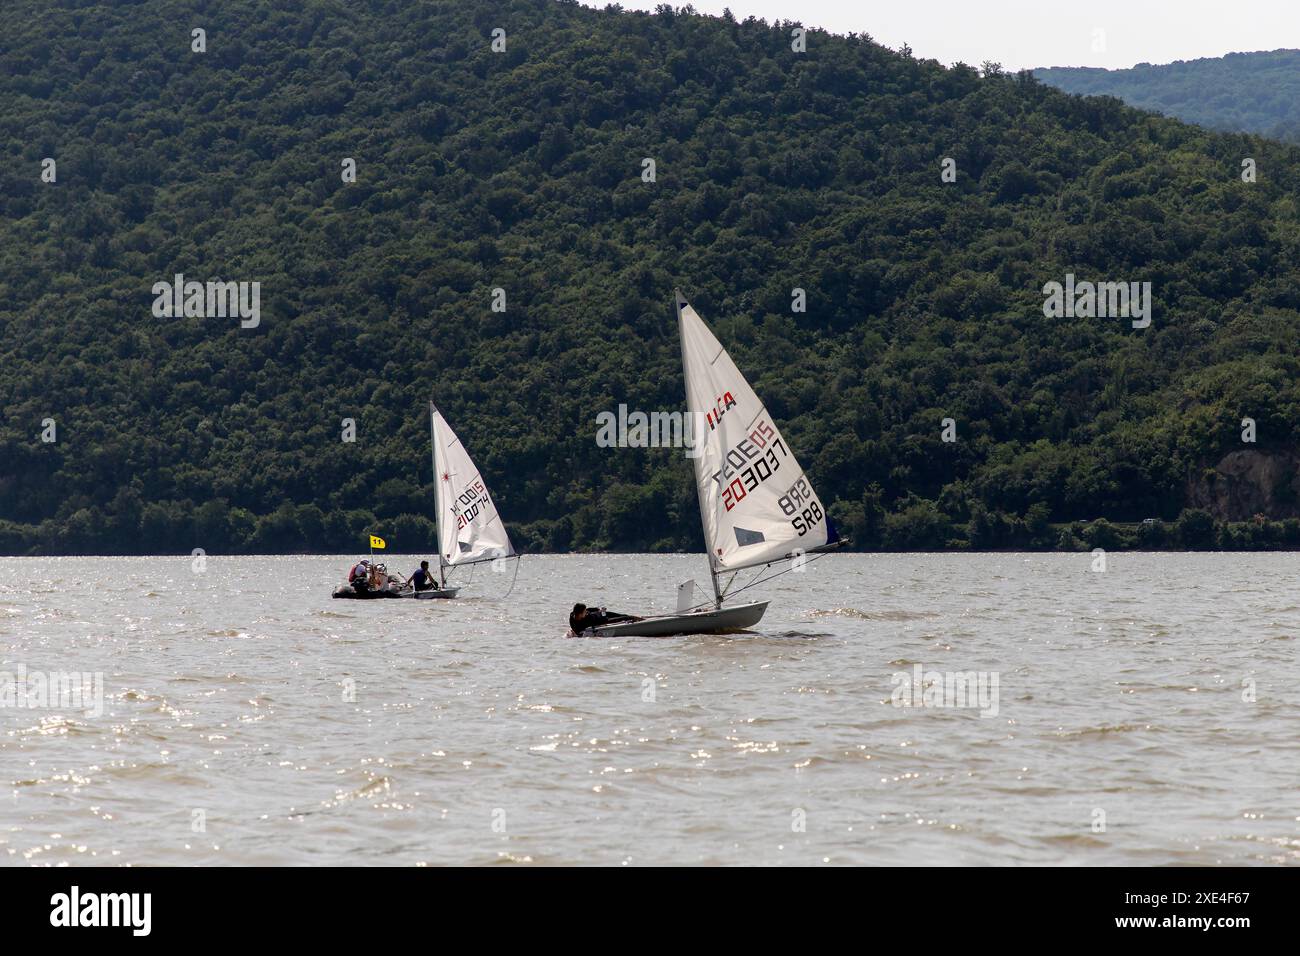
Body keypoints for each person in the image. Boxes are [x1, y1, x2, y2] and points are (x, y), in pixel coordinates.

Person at [569, 603, 642, 634]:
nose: (586, 612)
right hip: (604, 620)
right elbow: (578, 631)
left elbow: (589, 609)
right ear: (580, 614)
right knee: (625, 618)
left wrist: (598, 609)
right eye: (584, 612)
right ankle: (640, 620)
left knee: (623, 615)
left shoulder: (574, 614)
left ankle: (638, 618)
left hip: (602, 614)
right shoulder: (581, 623)